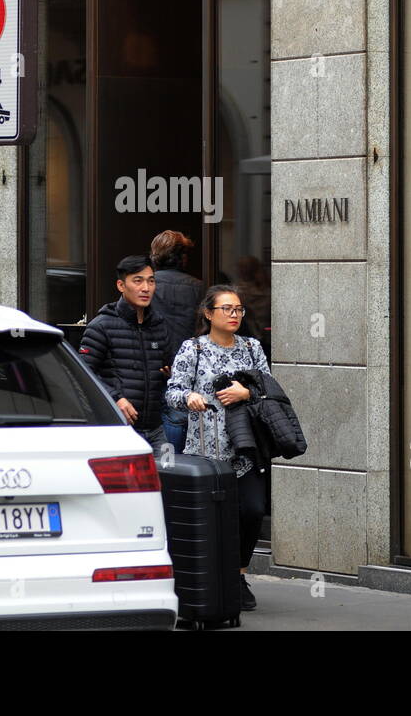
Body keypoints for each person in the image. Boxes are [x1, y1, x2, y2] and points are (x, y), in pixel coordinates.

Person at [164, 284, 271, 612]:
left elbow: (270, 390)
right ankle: (209, 579)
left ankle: (238, 574)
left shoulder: (252, 348)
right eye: (227, 309)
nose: (234, 315)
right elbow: (172, 392)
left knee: (252, 510)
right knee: (212, 519)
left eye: (238, 309)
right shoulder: (192, 349)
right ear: (208, 313)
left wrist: (246, 394)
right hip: (205, 452)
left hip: (245, 449)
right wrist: (189, 397)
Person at [80, 255, 171, 449]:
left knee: (165, 478)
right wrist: (116, 398)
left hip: (156, 428)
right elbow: (83, 374)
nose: (146, 288)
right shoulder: (102, 325)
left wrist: (169, 373)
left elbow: (167, 366)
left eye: (151, 281)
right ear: (121, 286)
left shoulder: (159, 324)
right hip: (119, 428)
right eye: (138, 281)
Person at [150, 230, 204, 452]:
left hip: (152, 372)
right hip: (187, 375)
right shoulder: (199, 288)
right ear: (182, 257)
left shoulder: (146, 288)